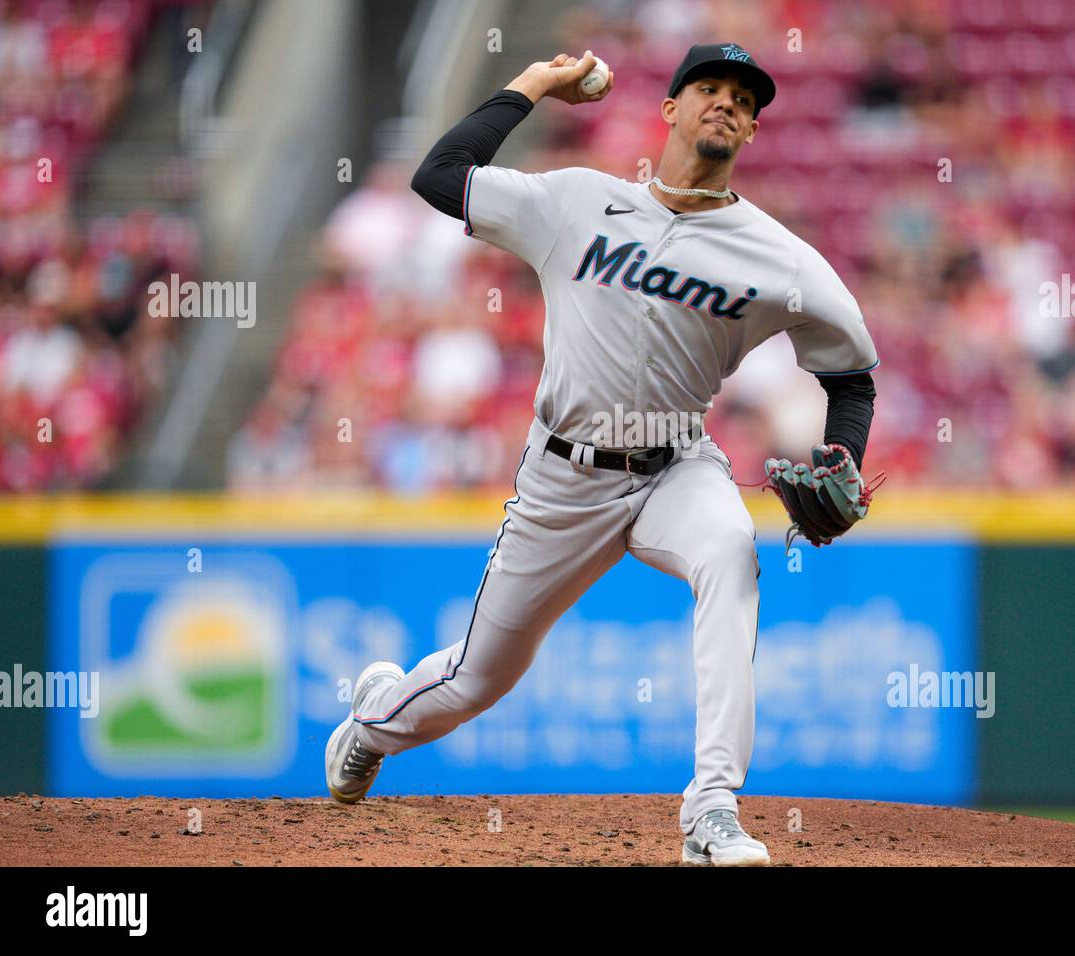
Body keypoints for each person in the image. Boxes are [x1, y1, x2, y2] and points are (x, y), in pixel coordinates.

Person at [325, 43, 880, 867]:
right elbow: (439, 176)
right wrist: (536, 86)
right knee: (480, 678)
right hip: (563, 479)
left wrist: (843, 457)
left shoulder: (779, 257)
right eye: (708, 88)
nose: (726, 102)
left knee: (731, 550)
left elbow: (853, 377)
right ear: (671, 111)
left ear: (755, 128)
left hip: (677, 468)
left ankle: (712, 809)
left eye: (742, 97)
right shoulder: (579, 202)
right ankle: (374, 716)